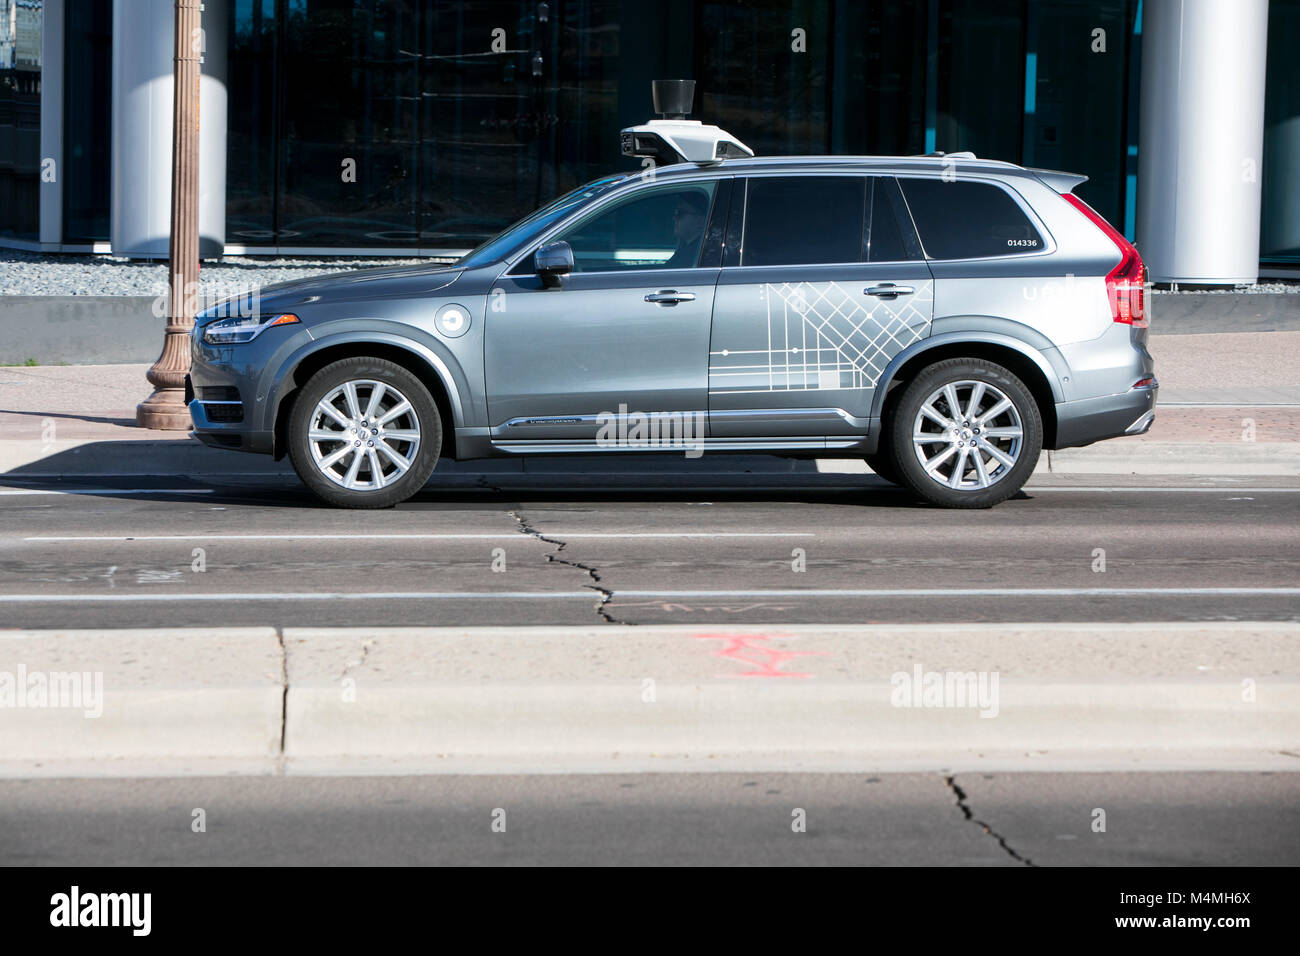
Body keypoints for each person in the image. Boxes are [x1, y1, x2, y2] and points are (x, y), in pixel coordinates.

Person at [664, 190, 709, 268]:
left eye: (680, 213)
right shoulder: (685, 249)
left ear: (699, 220)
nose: (674, 218)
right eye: (675, 213)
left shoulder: (696, 256)